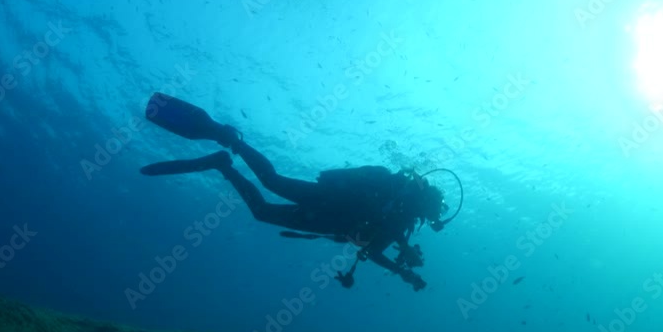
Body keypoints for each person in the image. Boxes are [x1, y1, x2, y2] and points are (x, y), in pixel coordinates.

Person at [138, 94, 459, 291]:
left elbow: (375, 239)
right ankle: (225, 158)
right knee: (267, 198)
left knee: (270, 187)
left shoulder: (400, 212)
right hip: (329, 213)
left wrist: (403, 258)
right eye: (436, 213)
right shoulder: (402, 213)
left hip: (329, 205)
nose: (434, 219)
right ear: (427, 205)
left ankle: (228, 148)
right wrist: (402, 270)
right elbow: (374, 249)